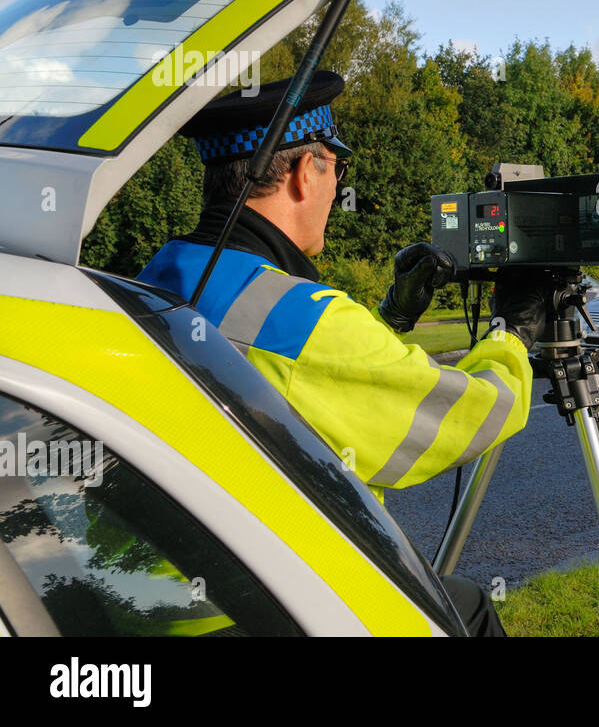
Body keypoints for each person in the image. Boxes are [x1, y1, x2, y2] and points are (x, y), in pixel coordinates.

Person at [137, 71, 549, 636]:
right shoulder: (307, 320)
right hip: (260, 607)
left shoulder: (155, 277)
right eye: (339, 168)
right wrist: (512, 335)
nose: (337, 188)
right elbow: (468, 413)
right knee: (467, 608)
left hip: (155, 597)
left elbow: (305, 392)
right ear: (309, 172)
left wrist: (393, 320)